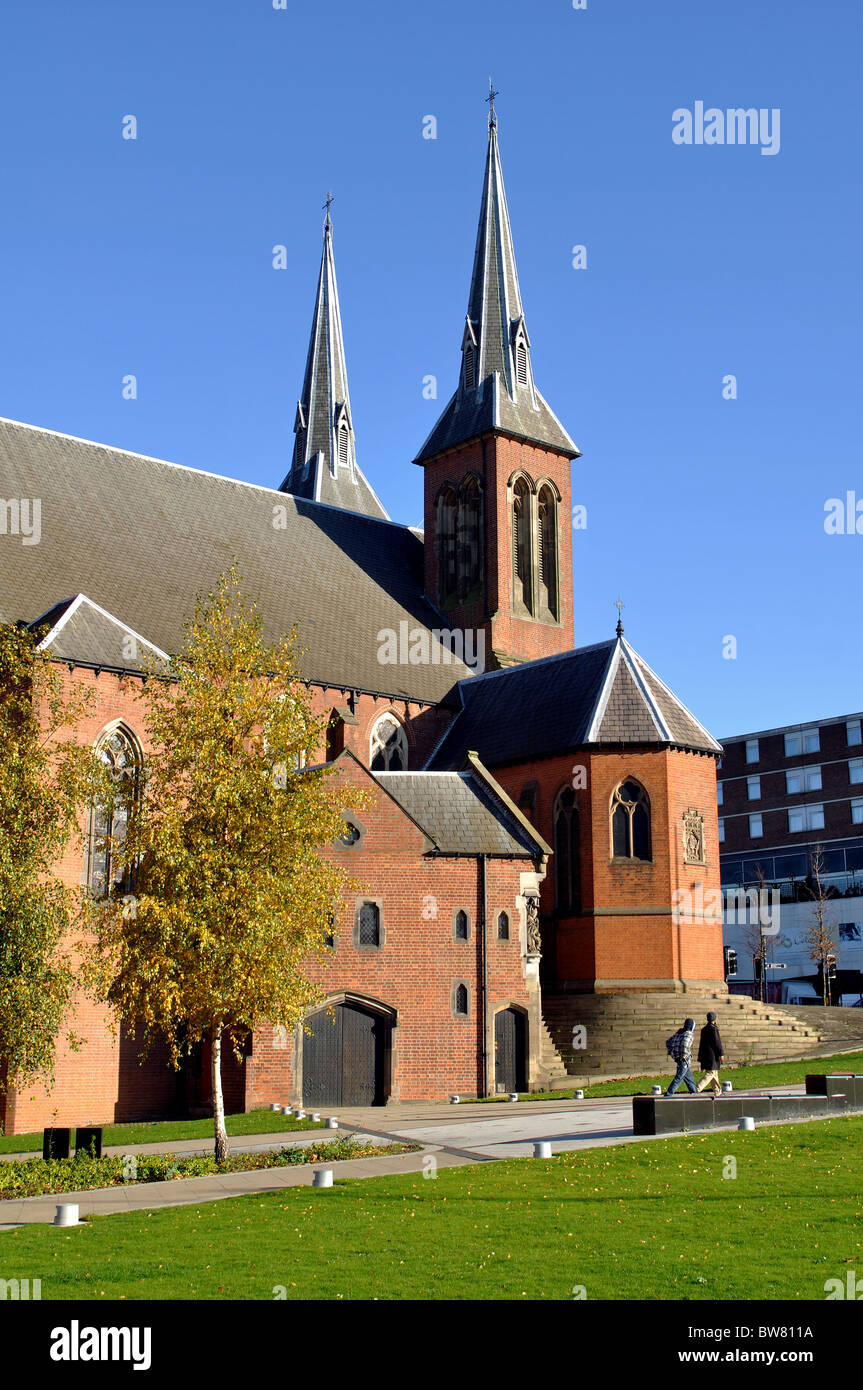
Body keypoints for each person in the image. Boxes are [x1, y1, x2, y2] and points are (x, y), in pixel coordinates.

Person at [665, 1017, 697, 1095]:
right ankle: (669, 1093)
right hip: (684, 1059)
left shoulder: (678, 1033)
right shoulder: (688, 1034)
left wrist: (672, 1053)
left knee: (689, 1078)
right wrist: (684, 1055)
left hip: (678, 1058)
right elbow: (685, 1044)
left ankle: (694, 1092)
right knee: (679, 1078)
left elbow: (668, 1042)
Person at [695, 1011, 725, 1095]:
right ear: (715, 1019)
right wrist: (721, 1053)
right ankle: (697, 1088)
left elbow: (701, 1044)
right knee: (710, 1074)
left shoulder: (704, 1029)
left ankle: (718, 1092)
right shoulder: (714, 1029)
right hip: (713, 1056)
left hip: (706, 1055)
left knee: (714, 1074)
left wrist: (700, 1057)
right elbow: (717, 1043)